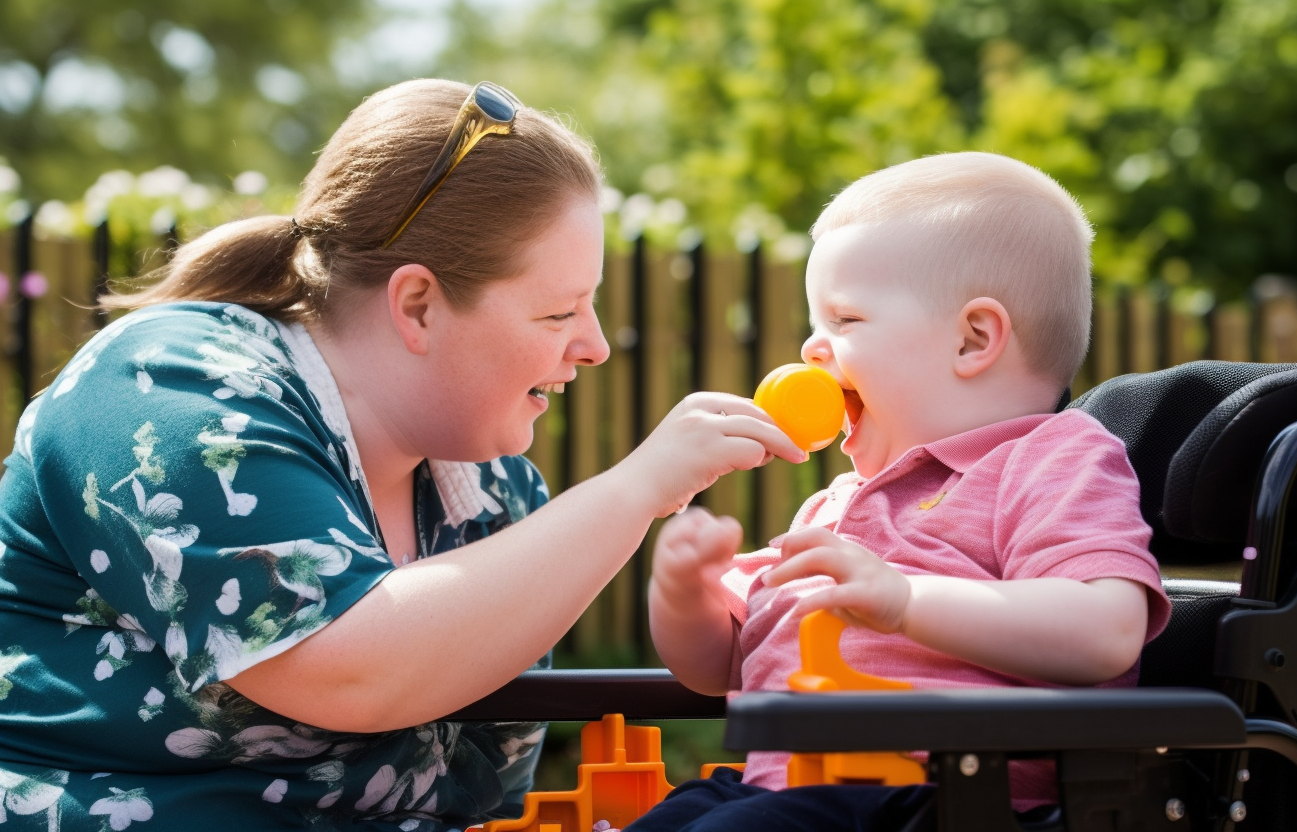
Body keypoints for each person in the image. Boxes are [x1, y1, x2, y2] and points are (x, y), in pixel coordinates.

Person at [0, 79, 804, 831]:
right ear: (417, 305)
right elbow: (348, 666)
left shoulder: (496, 500)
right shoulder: (165, 392)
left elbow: (486, 792)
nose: (592, 347)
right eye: (559, 312)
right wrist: (636, 490)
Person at [633, 152, 1173, 831]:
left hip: (942, 803)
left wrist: (905, 600)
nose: (810, 350)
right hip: (782, 791)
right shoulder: (836, 508)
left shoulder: (1050, 460)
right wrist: (684, 595)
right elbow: (722, 668)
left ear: (974, 340)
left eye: (845, 321)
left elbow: (1106, 632)